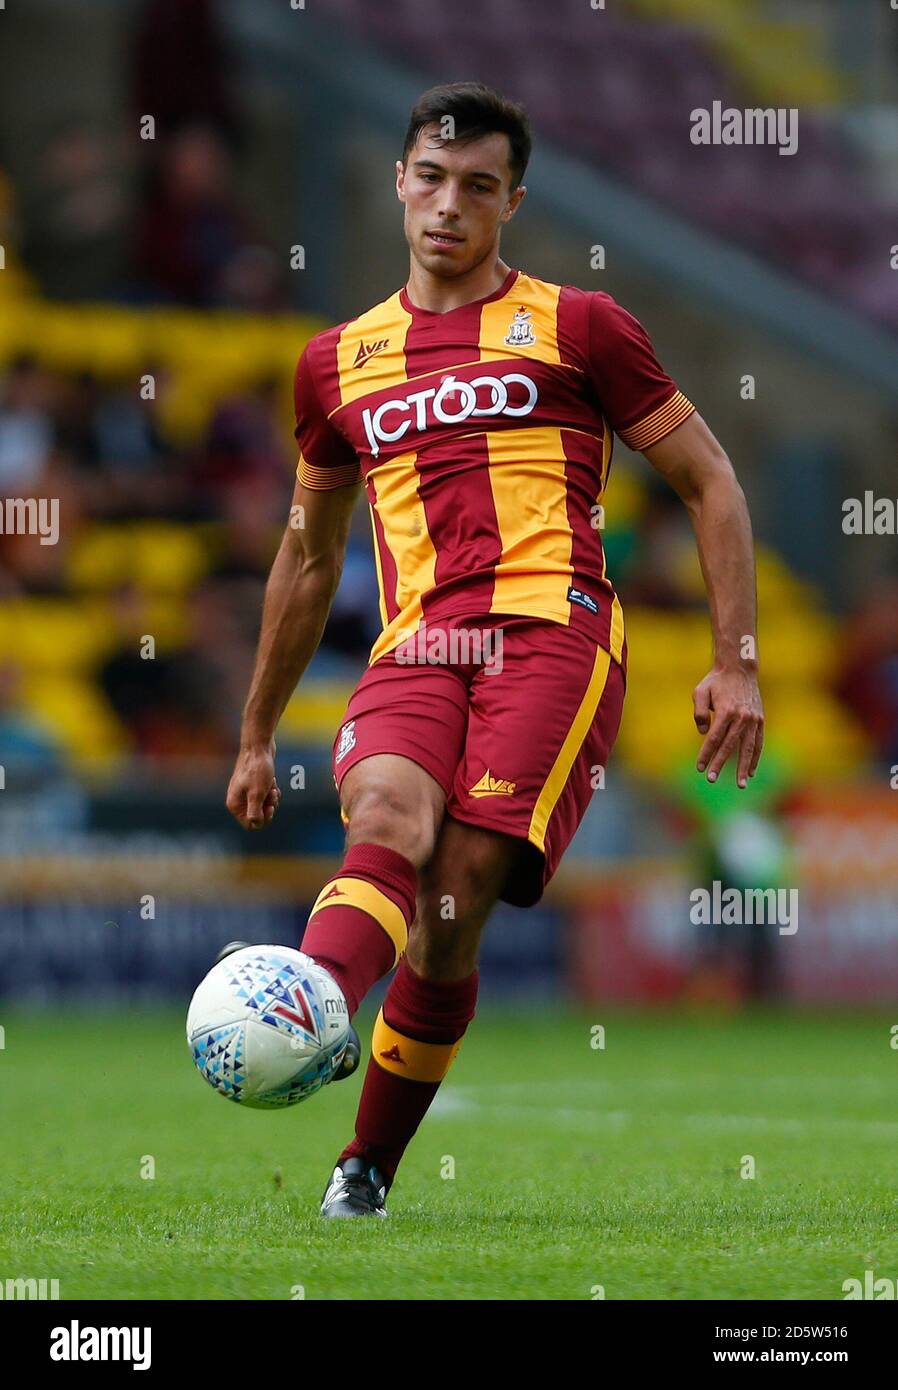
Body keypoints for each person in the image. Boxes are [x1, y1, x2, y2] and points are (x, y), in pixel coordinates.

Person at [225, 82, 764, 1217]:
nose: (448, 205)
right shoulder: (334, 362)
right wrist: (258, 727)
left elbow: (709, 479)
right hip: (418, 640)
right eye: (431, 178)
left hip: (551, 629)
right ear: (399, 183)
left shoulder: (581, 326)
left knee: (456, 896)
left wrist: (738, 656)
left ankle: (363, 1163)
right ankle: (313, 1008)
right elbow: (309, 557)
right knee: (383, 815)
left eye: (478, 186)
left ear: (511, 201)